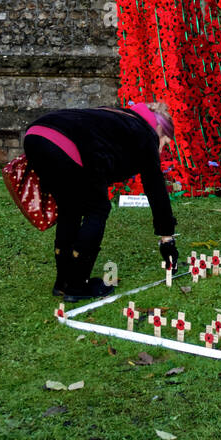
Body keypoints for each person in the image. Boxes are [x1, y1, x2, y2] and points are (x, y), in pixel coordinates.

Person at [21, 102, 181, 301]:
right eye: (164, 143)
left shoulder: (116, 116)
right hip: (66, 142)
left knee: (70, 207)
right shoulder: (145, 133)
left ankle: (63, 283)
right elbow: (156, 189)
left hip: (36, 134)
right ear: (159, 129)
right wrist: (167, 239)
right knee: (97, 208)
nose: (161, 152)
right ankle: (77, 285)